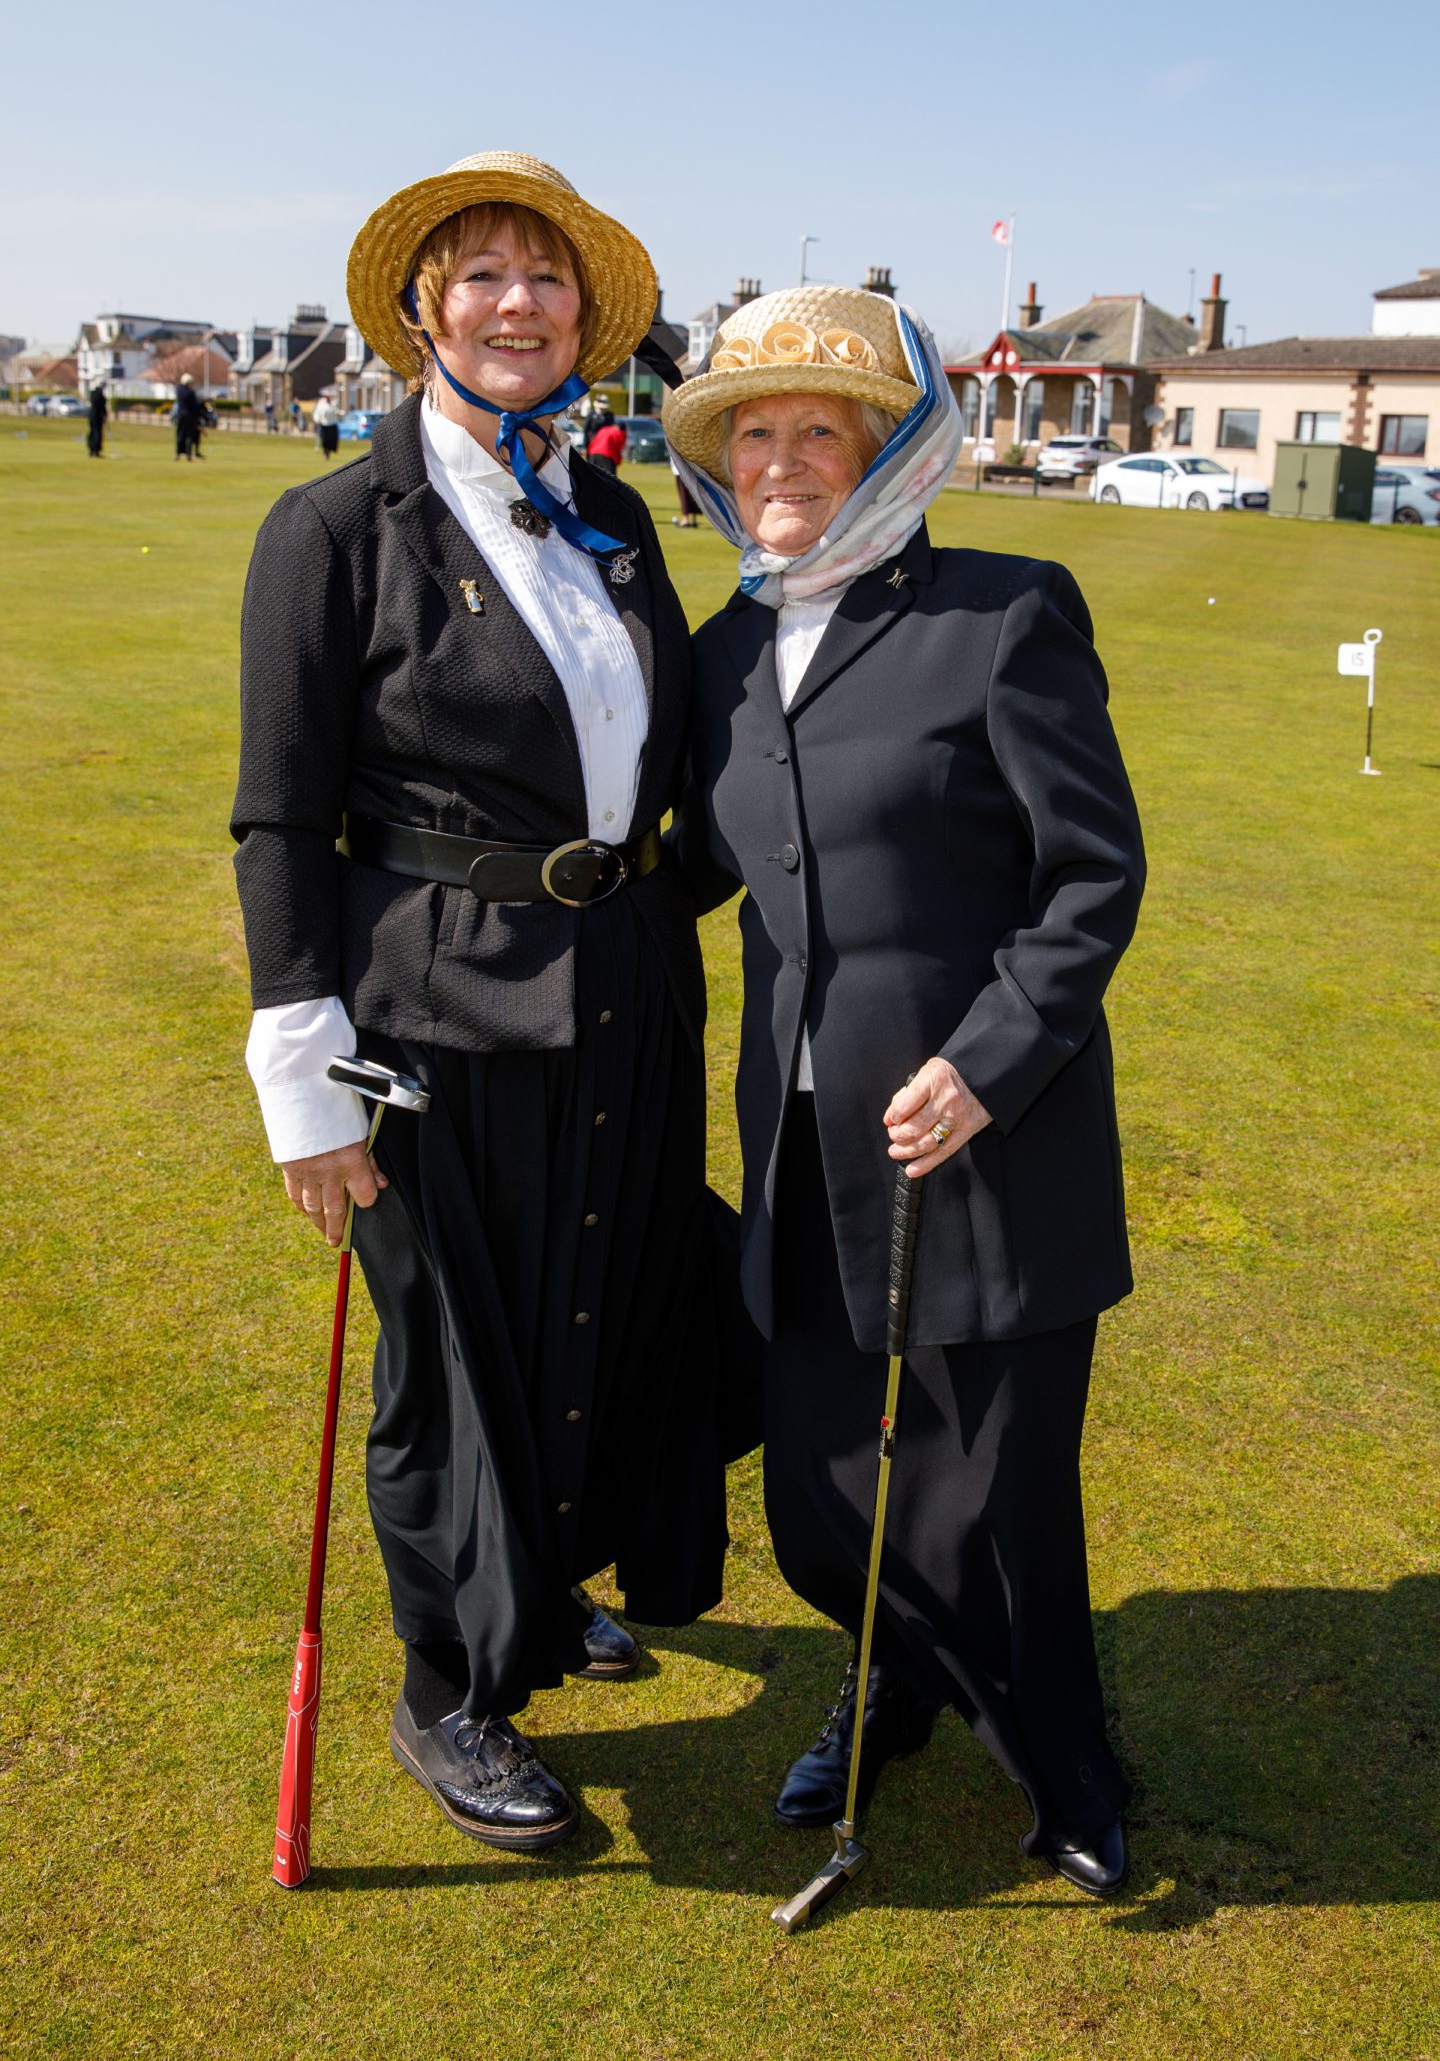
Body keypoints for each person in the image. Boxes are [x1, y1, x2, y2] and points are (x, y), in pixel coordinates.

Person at [232, 151, 751, 1855]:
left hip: (622, 993)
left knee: (597, 1298)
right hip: (430, 1017)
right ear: (419, 311)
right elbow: (279, 811)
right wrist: (303, 1071)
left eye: (546, 278)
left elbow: (670, 759)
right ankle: (448, 1677)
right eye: (482, 275)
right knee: (451, 1353)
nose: (518, 303)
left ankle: (546, 1590)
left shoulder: (605, 513)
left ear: (585, 322)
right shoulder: (330, 526)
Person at [664, 284, 1146, 1897]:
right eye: (756, 432)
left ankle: (1070, 1764)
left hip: (990, 1150)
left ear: (883, 448)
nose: (782, 460)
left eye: (818, 429)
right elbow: (688, 865)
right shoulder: (727, 649)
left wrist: (987, 1059)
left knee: (1002, 1498)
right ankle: (909, 1669)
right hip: (808, 1156)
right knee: (819, 1499)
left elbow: (1092, 879)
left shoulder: (1006, 616)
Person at [587, 409, 626, 476]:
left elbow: (593, 442)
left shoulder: (603, 429)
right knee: (610, 479)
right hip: (606, 455)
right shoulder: (620, 433)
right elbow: (617, 449)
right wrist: (617, 461)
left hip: (593, 454)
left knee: (594, 476)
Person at [174, 373, 202, 460]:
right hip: (190, 416)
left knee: (180, 434)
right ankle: (188, 455)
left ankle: (178, 454)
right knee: (189, 436)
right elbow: (195, 406)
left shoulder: (178, 390)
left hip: (181, 415)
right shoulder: (190, 392)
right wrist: (200, 414)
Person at [313, 389, 340, 458]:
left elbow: (336, 408)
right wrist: (317, 419)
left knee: (332, 440)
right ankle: (325, 452)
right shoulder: (321, 403)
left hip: (332, 424)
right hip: (324, 424)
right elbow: (317, 412)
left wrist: (332, 402)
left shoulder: (334, 402)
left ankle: (329, 451)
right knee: (325, 440)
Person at [86, 383, 107, 459]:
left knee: (92, 432)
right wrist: (105, 415)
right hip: (97, 416)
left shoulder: (92, 393)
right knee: (97, 433)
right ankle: (96, 451)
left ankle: (91, 450)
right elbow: (102, 407)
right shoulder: (100, 395)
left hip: (91, 415)